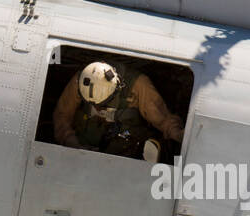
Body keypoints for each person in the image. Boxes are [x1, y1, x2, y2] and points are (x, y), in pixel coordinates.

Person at [53, 60, 184, 160]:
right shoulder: (81, 80)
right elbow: (62, 115)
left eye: (103, 103)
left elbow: (162, 118)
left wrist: (177, 133)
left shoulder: (139, 84)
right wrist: (71, 142)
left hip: (124, 148)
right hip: (83, 147)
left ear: (117, 88)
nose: (98, 108)